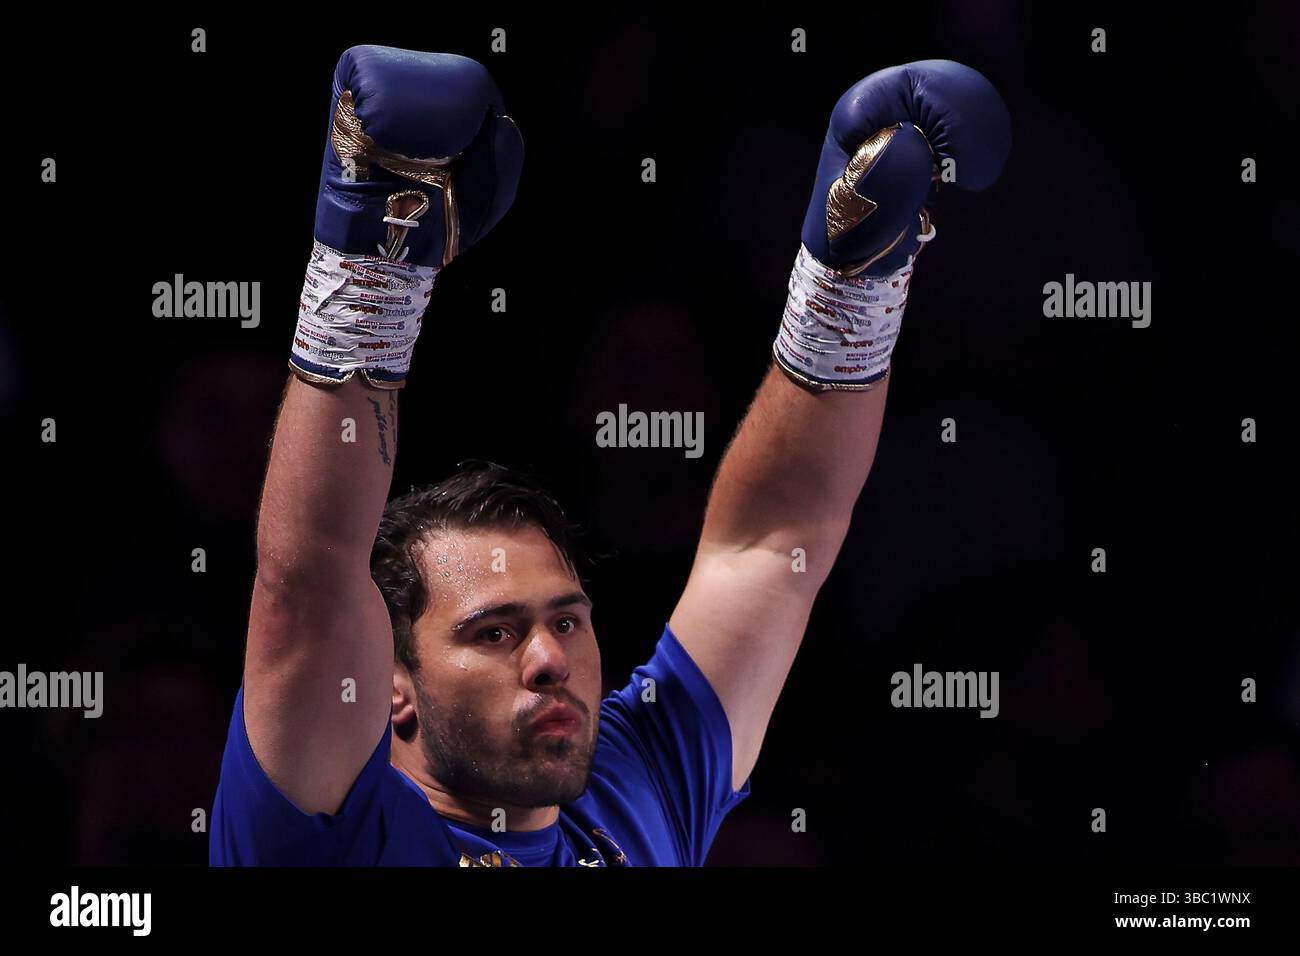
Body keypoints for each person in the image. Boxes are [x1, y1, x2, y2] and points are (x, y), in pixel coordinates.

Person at [210, 45, 1010, 866]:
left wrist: (852, 288)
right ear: (391, 688)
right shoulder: (330, 843)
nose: (552, 660)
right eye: (493, 633)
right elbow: (307, 585)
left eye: (567, 619)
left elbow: (772, 545)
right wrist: (370, 268)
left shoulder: (633, 795)